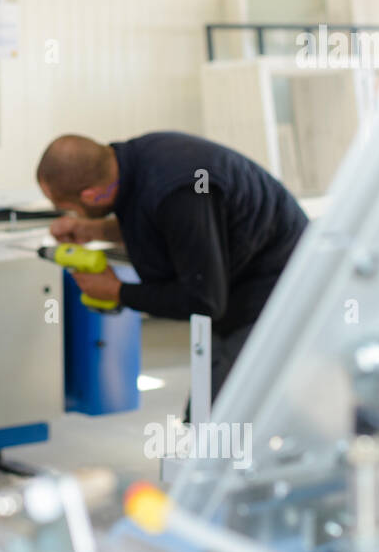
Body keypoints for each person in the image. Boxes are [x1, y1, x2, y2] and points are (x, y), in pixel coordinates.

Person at [36, 131, 308, 410]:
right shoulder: (133, 163)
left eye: (69, 208)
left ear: (91, 195)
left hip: (278, 289)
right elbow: (161, 224)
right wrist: (92, 229)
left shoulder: (180, 190)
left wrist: (117, 291)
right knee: (208, 410)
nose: (72, 214)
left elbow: (203, 299)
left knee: (223, 419)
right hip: (238, 282)